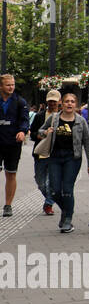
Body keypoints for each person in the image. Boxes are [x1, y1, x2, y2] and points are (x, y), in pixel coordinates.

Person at [38, 93, 89, 233]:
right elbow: (40, 131)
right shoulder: (54, 118)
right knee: (54, 191)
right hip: (55, 158)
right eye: (67, 101)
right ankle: (66, 210)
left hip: (72, 158)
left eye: (72, 102)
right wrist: (46, 132)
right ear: (61, 103)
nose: (69, 104)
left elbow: (87, 142)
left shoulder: (81, 121)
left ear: (76, 104)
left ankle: (68, 219)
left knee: (67, 190)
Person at [0, 74, 31, 219]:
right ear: (1, 86)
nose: (11, 87)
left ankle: (8, 205)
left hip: (13, 143)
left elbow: (25, 120)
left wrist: (22, 131)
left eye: (12, 84)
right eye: (8, 85)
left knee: (11, 173)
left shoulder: (20, 102)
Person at [29, 89, 60, 215]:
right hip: (41, 153)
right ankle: (50, 199)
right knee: (40, 182)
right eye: (50, 101)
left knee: (51, 182)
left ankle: (48, 203)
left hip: (55, 154)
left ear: (59, 102)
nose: (52, 104)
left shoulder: (63, 115)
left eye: (54, 101)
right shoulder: (40, 116)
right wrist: (41, 135)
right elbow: (33, 133)